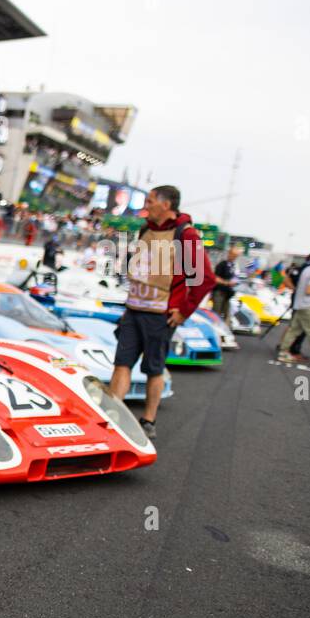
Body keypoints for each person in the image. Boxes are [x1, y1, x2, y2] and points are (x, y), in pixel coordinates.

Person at [107, 184, 216, 438]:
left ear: (166, 205)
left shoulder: (186, 235)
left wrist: (183, 312)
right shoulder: (146, 229)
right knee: (121, 363)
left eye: (150, 201)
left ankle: (148, 420)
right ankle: (113, 416)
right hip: (134, 310)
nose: (146, 206)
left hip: (160, 314)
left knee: (154, 368)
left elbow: (205, 278)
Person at [212, 245, 243, 323]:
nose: (234, 257)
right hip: (219, 292)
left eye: (236, 256)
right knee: (216, 312)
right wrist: (227, 283)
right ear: (229, 254)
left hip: (228, 294)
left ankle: (225, 329)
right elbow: (215, 278)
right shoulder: (222, 264)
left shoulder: (234, 266)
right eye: (233, 255)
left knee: (227, 313)